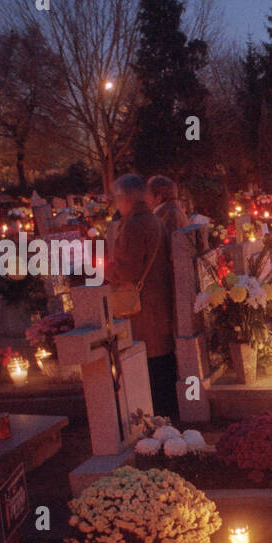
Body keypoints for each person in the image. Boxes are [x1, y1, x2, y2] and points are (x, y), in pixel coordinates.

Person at [107, 173, 177, 417]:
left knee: (150, 366)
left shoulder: (133, 225)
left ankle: (158, 419)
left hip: (142, 308)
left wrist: (104, 269)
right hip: (158, 302)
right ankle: (168, 415)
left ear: (126, 197)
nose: (115, 203)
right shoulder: (153, 219)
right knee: (162, 363)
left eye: (116, 197)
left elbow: (127, 271)